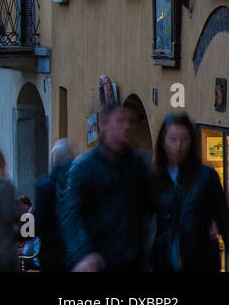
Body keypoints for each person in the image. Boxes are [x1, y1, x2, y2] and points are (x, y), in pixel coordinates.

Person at [61, 101, 154, 272]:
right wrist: (84, 253)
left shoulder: (137, 165)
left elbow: (152, 204)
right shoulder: (86, 167)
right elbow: (72, 214)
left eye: (130, 122)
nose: (126, 127)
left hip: (134, 259)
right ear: (103, 125)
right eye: (119, 122)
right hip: (98, 260)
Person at [152, 112, 229, 272]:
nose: (179, 145)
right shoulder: (153, 178)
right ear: (163, 141)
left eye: (185, 139)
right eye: (173, 139)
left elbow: (224, 220)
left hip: (201, 261)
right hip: (165, 261)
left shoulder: (206, 177)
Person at [33, 138, 75, 271]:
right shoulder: (80, 182)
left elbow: (37, 222)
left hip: (51, 253)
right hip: (75, 252)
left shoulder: (43, 186)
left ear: (54, 160)